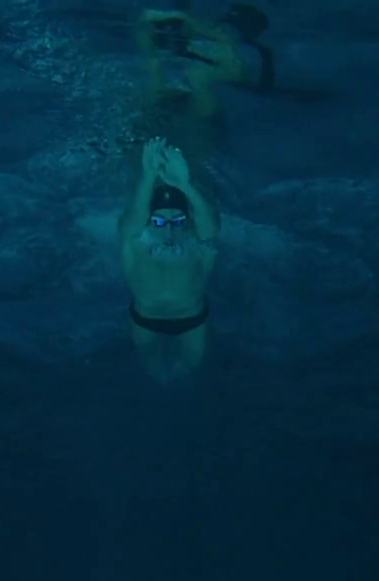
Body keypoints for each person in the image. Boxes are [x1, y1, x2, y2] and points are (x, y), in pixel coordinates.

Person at [118, 8, 262, 381]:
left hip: (191, 318)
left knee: (191, 377)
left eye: (175, 219)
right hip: (146, 318)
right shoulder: (137, 239)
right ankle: (159, 41)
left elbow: (210, 227)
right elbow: (136, 218)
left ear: (186, 220)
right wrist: (154, 178)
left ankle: (165, 43)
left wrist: (179, 185)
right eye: (162, 220)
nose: (168, 226)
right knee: (152, 377)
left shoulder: (194, 241)